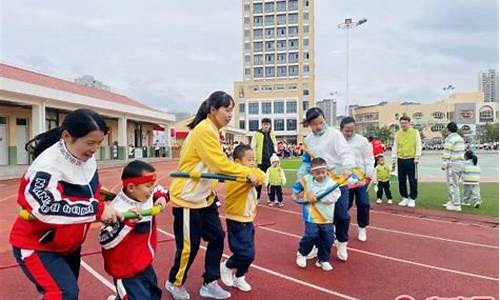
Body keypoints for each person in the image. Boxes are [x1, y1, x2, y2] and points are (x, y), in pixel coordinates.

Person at [9, 108, 122, 300]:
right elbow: (48, 207)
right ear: (67, 136)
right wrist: (98, 209)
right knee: (63, 293)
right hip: (37, 245)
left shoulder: (86, 156)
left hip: (68, 244)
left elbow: (87, 187)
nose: (95, 149)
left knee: (65, 292)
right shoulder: (46, 166)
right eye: (90, 143)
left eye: (99, 143)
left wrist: (106, 198)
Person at [165, 91, 260, 300]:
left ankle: (209, 282)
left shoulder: (212, 130)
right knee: (189, 247)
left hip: (205, 197)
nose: (230, 114)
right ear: (212, 110)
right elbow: (220, 164)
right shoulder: (204, 130)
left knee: (217, 237)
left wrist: (244, 174)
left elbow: (215, 167)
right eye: (227, 109)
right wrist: (248, 172)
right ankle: (175, 282)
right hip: (188, 199)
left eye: (232, 110)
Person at [101, 160, 168, 300]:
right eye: (148, 186)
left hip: (144, 263)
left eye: (152, 185)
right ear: (131, 187)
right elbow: (105, 240)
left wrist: (162, 197)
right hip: (125, 271)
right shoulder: (118, 210)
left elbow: (160, 189)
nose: (152, 190)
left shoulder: (144, 195)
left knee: (154, 295)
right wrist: (126, 223)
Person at [298, 107, 355, 262]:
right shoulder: (308, 140)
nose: (319, 126)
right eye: (315, 124)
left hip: (337, 181)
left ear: (324, 119)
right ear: (309, 124)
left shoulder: (335, 135)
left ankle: (342, 242)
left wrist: (348, 167)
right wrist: (301, 180)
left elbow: (346, 153)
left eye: (321, 122)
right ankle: (316, 247)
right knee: (319, 218)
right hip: (317, 184)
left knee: (342, 216)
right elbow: (306, 162)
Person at [220, 144, 266, 292]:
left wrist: (252, 174)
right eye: (249, 160)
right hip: (237, 219)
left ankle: (240, 277)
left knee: (249, 253)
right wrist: (248, 175)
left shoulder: (249, 172)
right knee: (245, 253)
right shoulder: (234, 177)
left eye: (254, 160)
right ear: (237, 162)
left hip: (248, 219)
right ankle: (227, 266)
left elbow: (263, 177)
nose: (253, 163)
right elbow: (250, 176)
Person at [293, 158, 340, 271]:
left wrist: (320, 197)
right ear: (312, 172)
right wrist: (298, 196)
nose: (321, 175)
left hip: (327, 217)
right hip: (311, 216)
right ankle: (302, 253)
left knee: (328, 239)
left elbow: (335, 196)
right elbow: (296, 190)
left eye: (323, 172)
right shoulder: (306, 180)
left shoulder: (331, 182)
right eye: (317, 173)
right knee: (311, 235)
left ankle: (323, 259)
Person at [340, 117, 374, 242]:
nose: (349, 133)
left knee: (363, 203)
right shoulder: (337, 141)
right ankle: (337, 228)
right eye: (346, 131)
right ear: (341, 129)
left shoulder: (363, 141)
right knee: (344, 205)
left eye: (351, 130)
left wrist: (367, 176)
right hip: (345, 178)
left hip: (360, 178)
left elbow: (369, 160)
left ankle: (362, 227)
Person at [391, 115, 422, 208]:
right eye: (402, 123)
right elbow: (395, 147)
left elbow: (418, 145)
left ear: (409, 123)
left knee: (412, 180)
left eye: (405, 123)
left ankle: (412, 198)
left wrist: (417, 156)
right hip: (401, 159)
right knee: (401, 180)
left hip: (411, 159)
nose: (403, 125)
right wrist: (393, 160)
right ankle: (404, 197)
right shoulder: (398, 134)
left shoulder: (415, 132)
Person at [441, 122, 465, 212]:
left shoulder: (450, 139)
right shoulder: (460, 138)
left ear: (448, 129)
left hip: (453, 163)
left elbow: (447, 152)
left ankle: (456, 204)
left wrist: (444, 164)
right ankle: (452, 201)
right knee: (455, 183)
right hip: (460, 163)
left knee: (452, 184)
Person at [251, 118, 277, 200]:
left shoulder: (272, 133)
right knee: (259, 180)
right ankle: (256, 198)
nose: (266, 126)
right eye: (264, 124)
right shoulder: (257, 134)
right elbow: (253, 147)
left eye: (268, 124)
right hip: (260, 161)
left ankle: (271, 198)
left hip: (271, 161)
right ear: (262, 125)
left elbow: (275, 144)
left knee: (270, 180)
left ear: (270, 125)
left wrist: (275, 155)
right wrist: (254, 160)